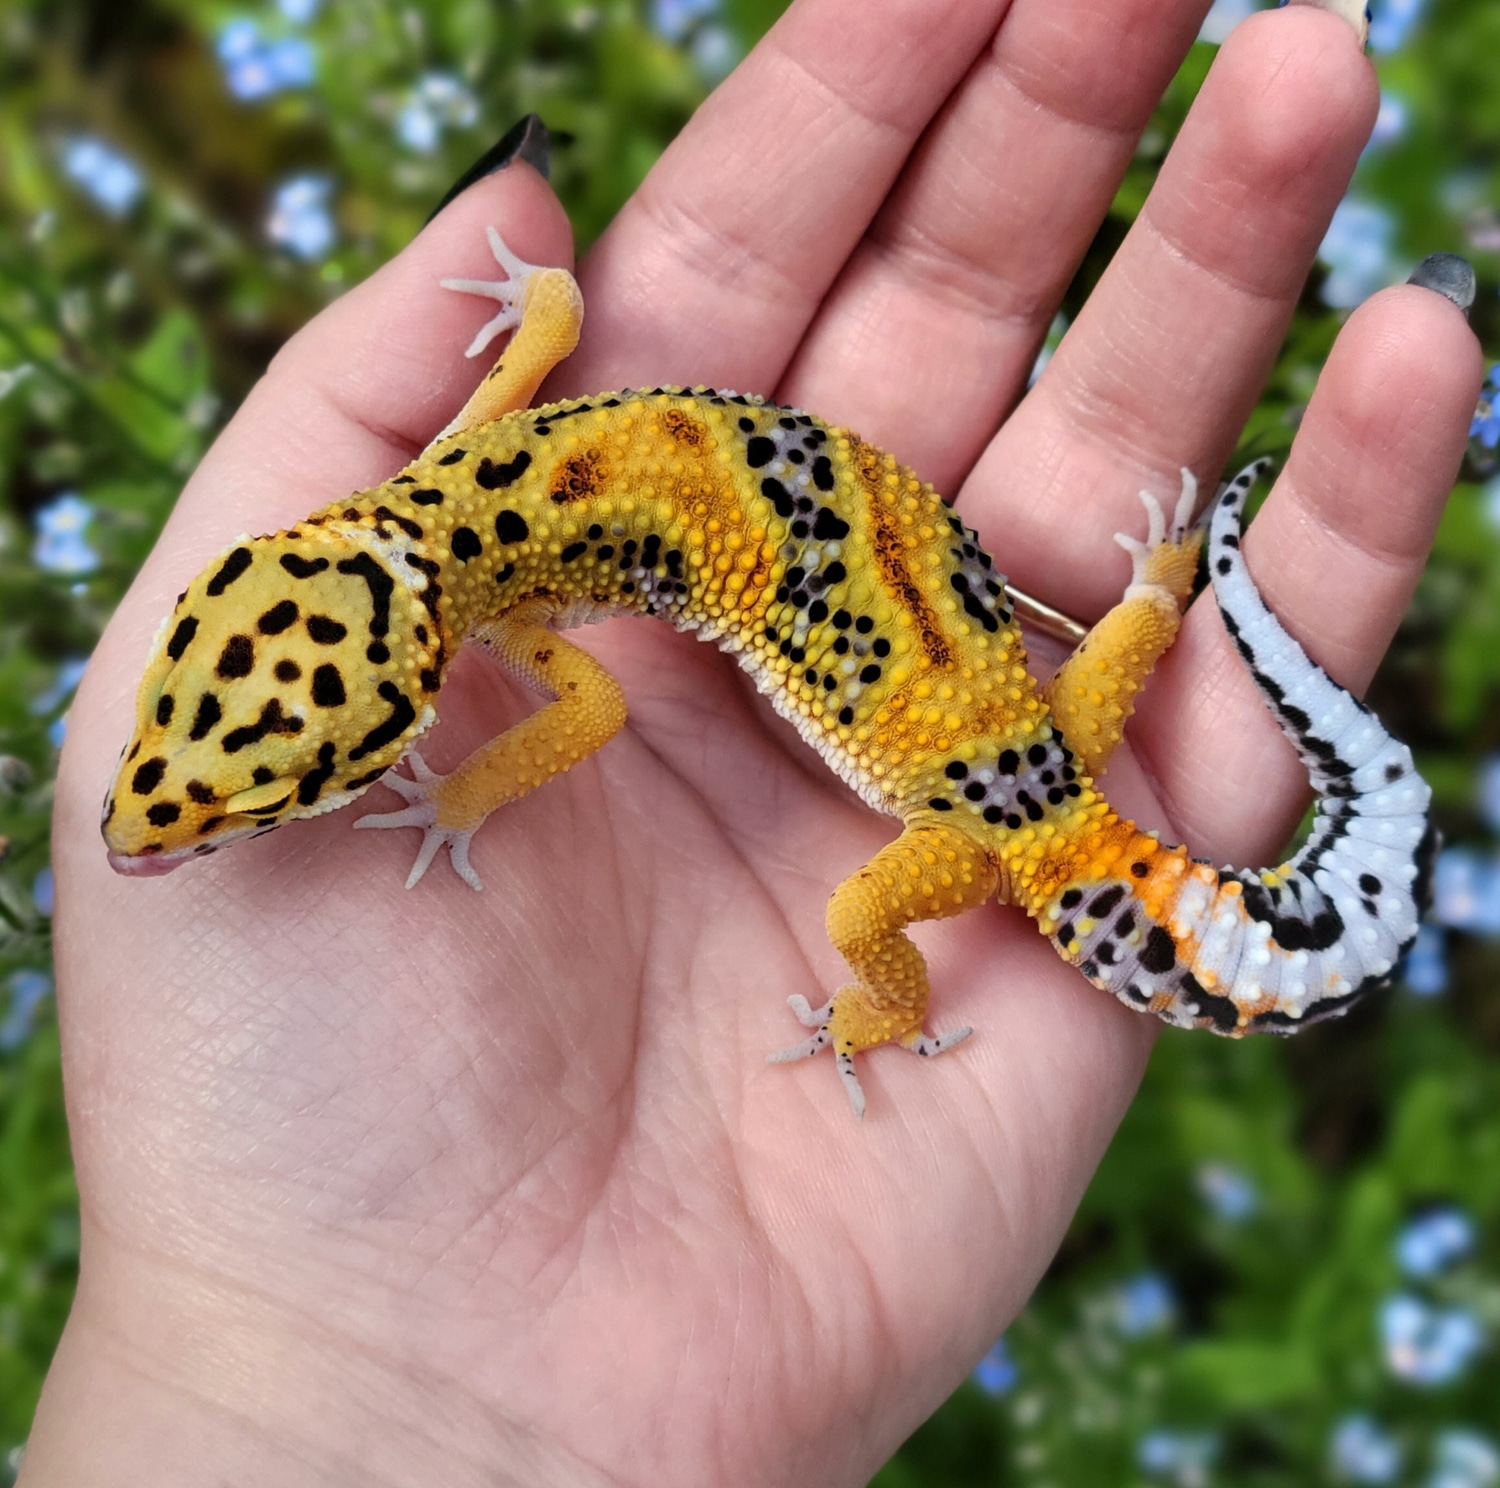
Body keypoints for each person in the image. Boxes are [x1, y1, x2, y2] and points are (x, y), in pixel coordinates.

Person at [24, 1, 1481, 1483]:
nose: (163, 830)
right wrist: (1156, 590)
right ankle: (1177, 593)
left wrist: (461, 793)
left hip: (981, 800)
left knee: (864, 915)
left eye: (246, 793)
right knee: (1081, 705)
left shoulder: (498, 611)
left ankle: (894, 998)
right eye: (216, 781)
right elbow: (551, 324)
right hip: (973, 669)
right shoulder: (445, 476)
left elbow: (587, 704)